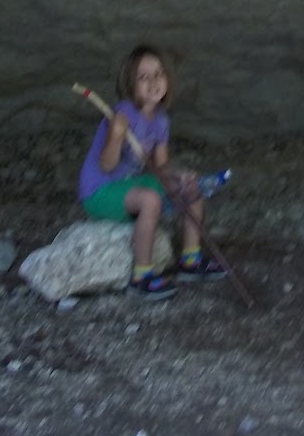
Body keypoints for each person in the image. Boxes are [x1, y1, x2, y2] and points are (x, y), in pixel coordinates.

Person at [78, 45, 226, 300]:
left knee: (193, 189)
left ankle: (190, 259)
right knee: (151, 199)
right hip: (101, 191)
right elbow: (107, 166)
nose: (153, 82)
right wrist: (115, 135)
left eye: (158, 74)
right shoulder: (123, 114)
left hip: (131, 184)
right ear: (130, 85)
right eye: (143, 77)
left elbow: (161, 167)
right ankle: (141, 275)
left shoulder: (160, 121)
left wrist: (180, 175)